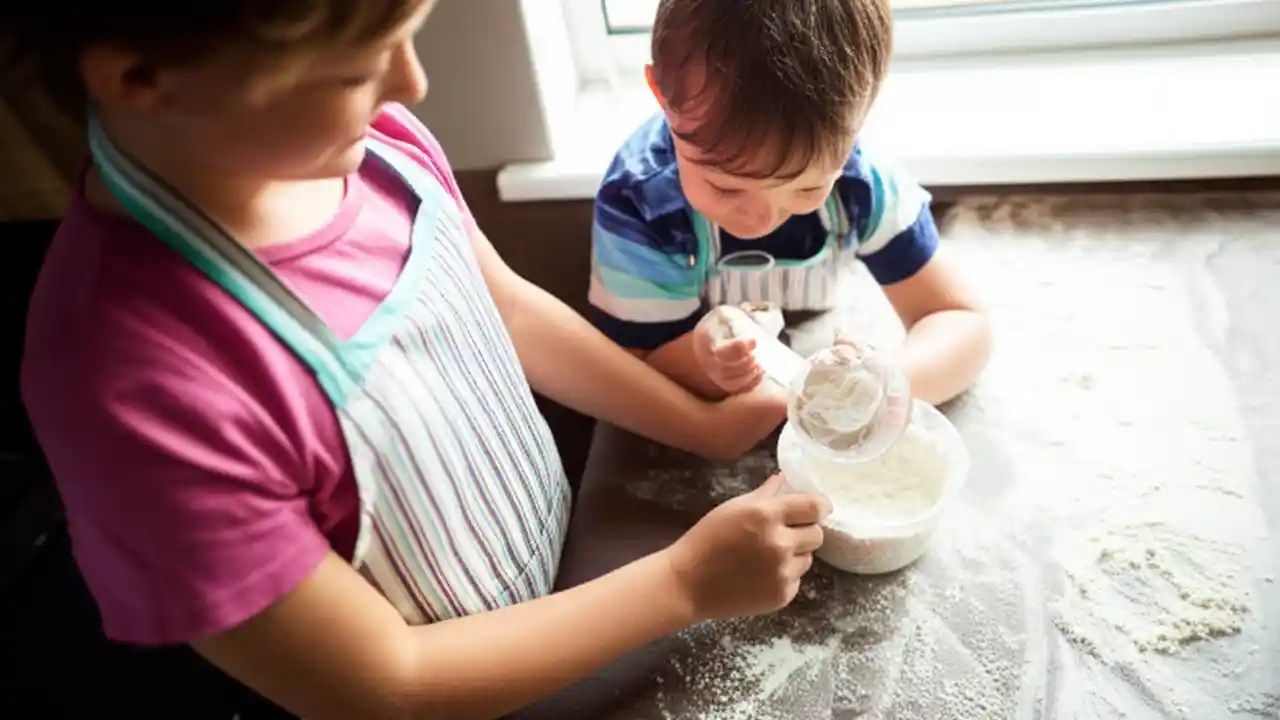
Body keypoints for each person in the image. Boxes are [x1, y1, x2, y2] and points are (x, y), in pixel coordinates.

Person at [5, 2, 830, 717]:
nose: (411, 83)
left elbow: (507, 309)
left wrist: (698, 426)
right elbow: (383, 687)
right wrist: (684, 584)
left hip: (561, 572)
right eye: (356, 67)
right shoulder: (129, 388)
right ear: (143, 78)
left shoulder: (377, 146)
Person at [588, 0, 992, 404]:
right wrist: (703, 363)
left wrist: (885, 387)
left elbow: (960, 320)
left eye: (806, 188)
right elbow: (631, 366)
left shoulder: (860, 185)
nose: (762, 218)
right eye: (726, 188)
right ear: (663, 94)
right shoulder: (641, 209)